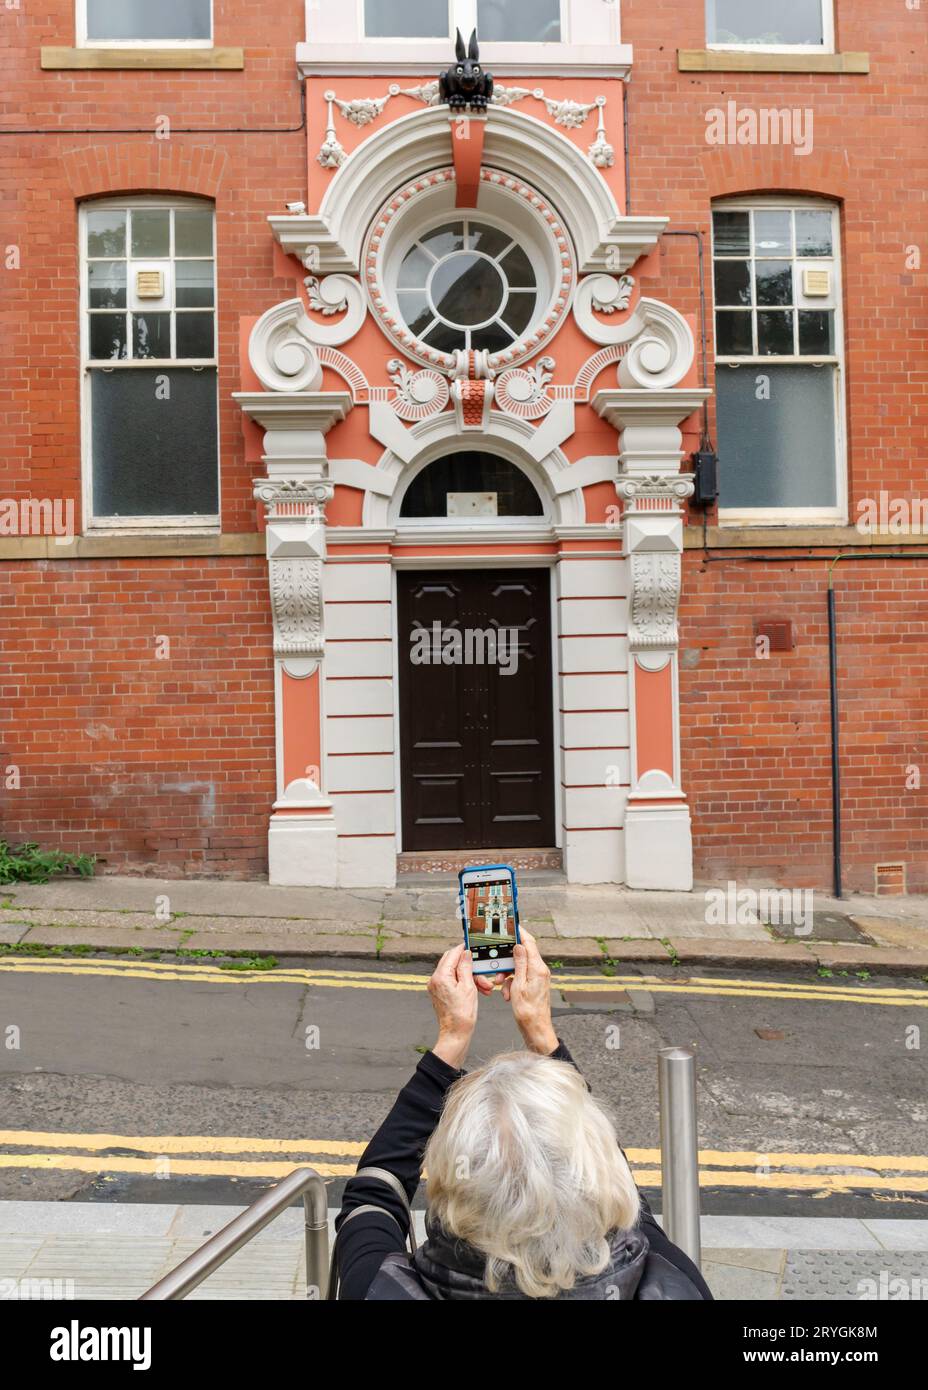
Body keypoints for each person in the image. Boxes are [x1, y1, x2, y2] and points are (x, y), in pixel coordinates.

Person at [333, 929, 712, 1300]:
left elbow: (375, 1194)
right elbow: (612, 1181)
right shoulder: (670, 1281)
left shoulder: (379, 1288)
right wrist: (541, 1030)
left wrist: (452, 1038)